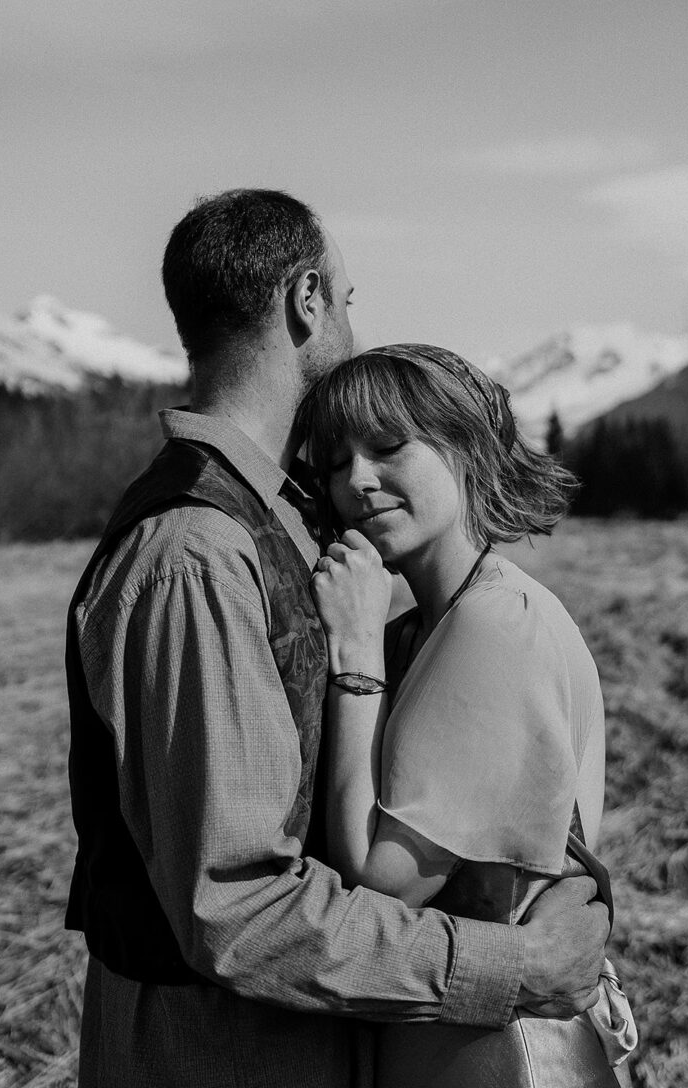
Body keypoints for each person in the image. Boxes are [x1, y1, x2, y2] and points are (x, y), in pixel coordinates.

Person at [65, 192, 611, 1088]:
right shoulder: (198, 555)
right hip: (224, 1058)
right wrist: (516, 964)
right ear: (307, 298)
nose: (359, 479)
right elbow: (236, 908)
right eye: (349, 302)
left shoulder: (284, 529)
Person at [299, 343, 637, 1087]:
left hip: (503, 1054)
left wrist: (353, 655)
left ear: (463, 450)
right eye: (334, 461)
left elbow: (379, 889)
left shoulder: (494, 626)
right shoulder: (429, 627)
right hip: (454, 1045)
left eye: (389, 446)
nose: (357, 479)